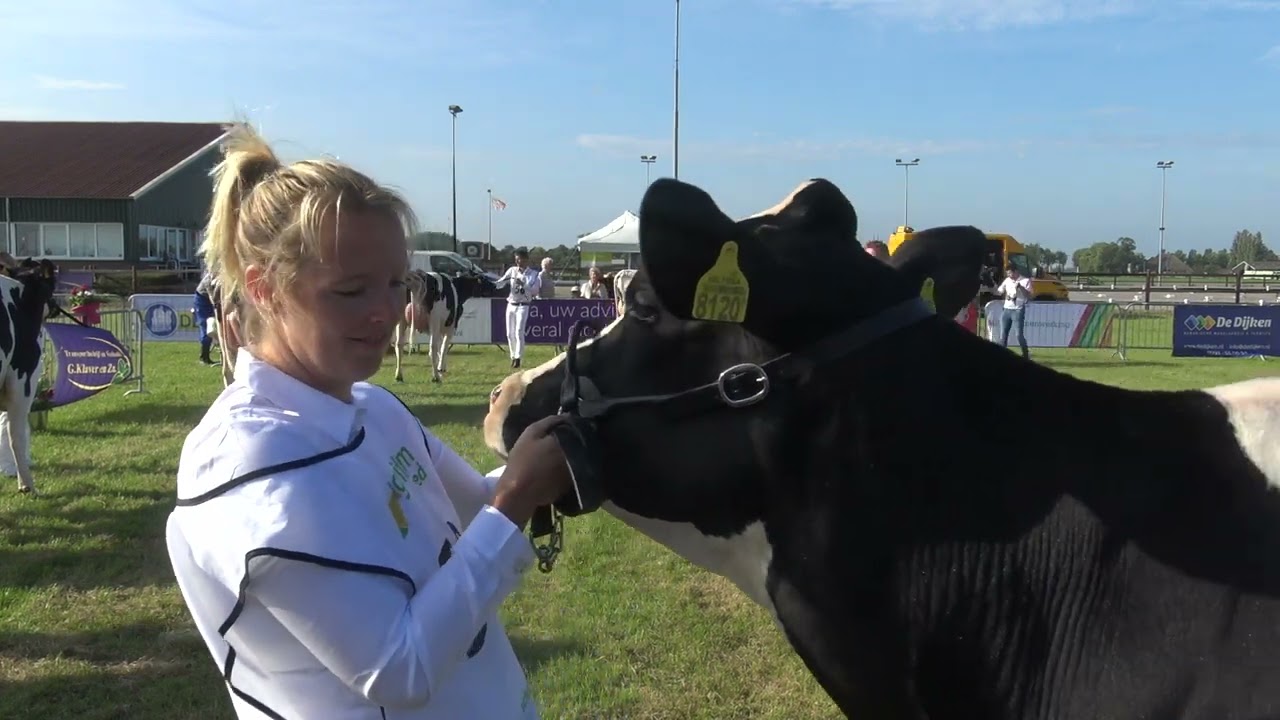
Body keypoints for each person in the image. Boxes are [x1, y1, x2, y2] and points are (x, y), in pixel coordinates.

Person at [165, 123, 574, 720]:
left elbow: (473, 504)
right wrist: (516, 499)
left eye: (395, 283)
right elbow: (398, 668)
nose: (389, 312)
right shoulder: (251, 473)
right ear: (265, 289)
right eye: (351, 291)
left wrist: (564, 459)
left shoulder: (373, 407)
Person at [493, 247, 541, 369]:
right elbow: (502, 281)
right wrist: (490, 282)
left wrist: (524, 284)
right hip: (511, 304)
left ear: (526, 260)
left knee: (519, 330)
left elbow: (535, 291)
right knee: (510, 333)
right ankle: (513, 355)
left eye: (520, 259)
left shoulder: (534, 274)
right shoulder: (512, 271)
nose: (518, 262)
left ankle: (518, 357)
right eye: (516, 259)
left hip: (523, 305)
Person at [994, 264, 1033, 358]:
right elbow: (998, 292)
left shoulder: (1025, 280)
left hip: (1018, 310)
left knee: (1018, 334)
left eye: (1010, 273)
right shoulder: (1007, 280)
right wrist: (991, 285)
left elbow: (1028, 295)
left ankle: (1026, 354)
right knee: (1003, 334)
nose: (1009, 276)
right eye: (1008, 274)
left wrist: (1020, 287)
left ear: (1016, 271)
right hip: (1006, 309)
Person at [193, 268, 217, 365]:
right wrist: (216, 305)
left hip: (211, 300)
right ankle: (204, 357)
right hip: (202, 299)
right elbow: (211, 295)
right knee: (206, 326)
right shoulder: (209, 277)